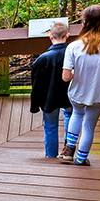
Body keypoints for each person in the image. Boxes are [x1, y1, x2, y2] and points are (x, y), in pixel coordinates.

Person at [61, 5, 100, 165]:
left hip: (77, 93)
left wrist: (77, 72)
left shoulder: (73, 46)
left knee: (77, 114)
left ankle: (69, 149)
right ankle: (81, 159)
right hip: (99, 94)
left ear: (84, 22)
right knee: (89, 125)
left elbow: (66, 77)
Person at [30, 22, 73, 158]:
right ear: (67, 36)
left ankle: (51, 156)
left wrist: (35, 104)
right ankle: (68, 149)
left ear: (50, 37)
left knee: (50, 127)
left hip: (49, 98)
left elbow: (36, 85)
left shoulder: (41, 60)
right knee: (70, 117)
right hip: (70, 96)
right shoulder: (72, 55)